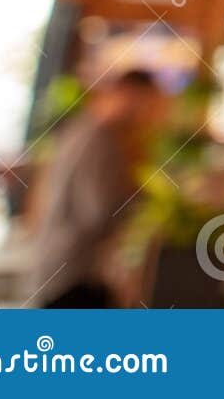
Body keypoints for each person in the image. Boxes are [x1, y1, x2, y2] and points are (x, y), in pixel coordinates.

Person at [23, 69, 164, 307]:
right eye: (149, 104)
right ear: (131, 95)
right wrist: (141, 203)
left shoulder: (82, 128)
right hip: (73, 274)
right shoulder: (101, 139)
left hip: (62, 268)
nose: (150, 116)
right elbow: (97, 211)